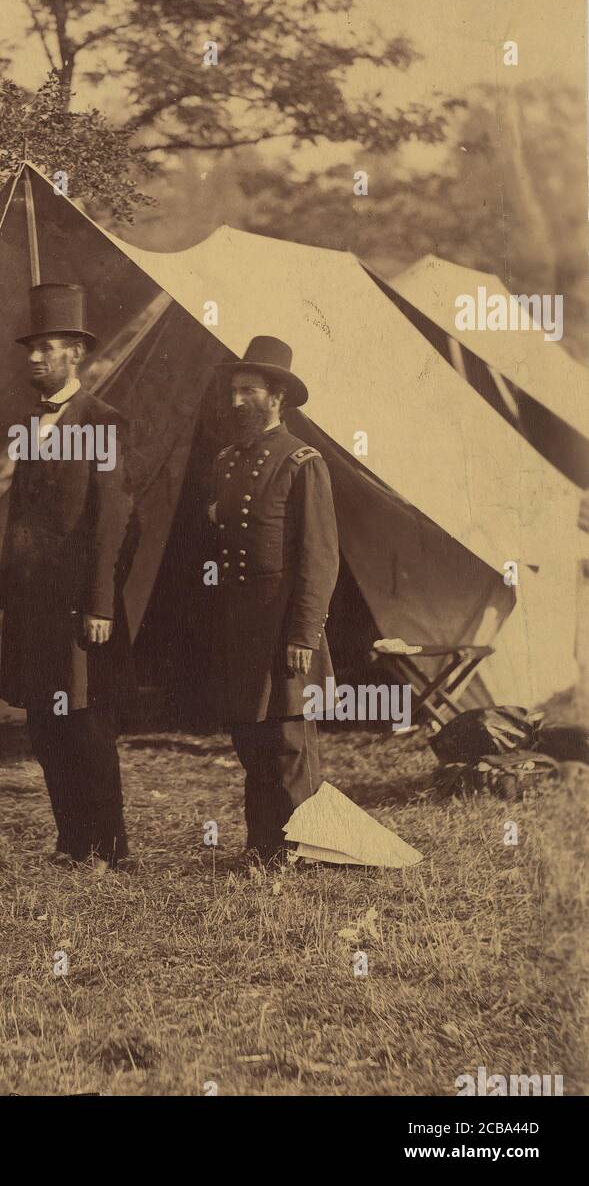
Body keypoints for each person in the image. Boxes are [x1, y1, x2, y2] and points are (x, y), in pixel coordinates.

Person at [0, 284, 140, 872]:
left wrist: (100, 605)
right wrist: (7, 594)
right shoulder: (30, 423)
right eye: (31, 348)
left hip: (81, 607)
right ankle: (72, 841)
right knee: (45, 724)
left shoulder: (103, 422)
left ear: (76, 353)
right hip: (33, 607)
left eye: (48, 348)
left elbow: (112, 522)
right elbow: (20, 517)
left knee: (84, 724)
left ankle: (110, 849)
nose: (34, 358)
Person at [208, 336, 339, 866]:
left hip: (285, 626)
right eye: (234, 391)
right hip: (241, 626)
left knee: (288, 742)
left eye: (248, 391)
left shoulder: (303, 462)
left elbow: (319, 558)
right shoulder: (226, 460)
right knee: (250, 739)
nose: (236, 401)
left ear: (276, 395)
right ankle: (263, 845)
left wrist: (303, 635)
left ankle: (301, 846)